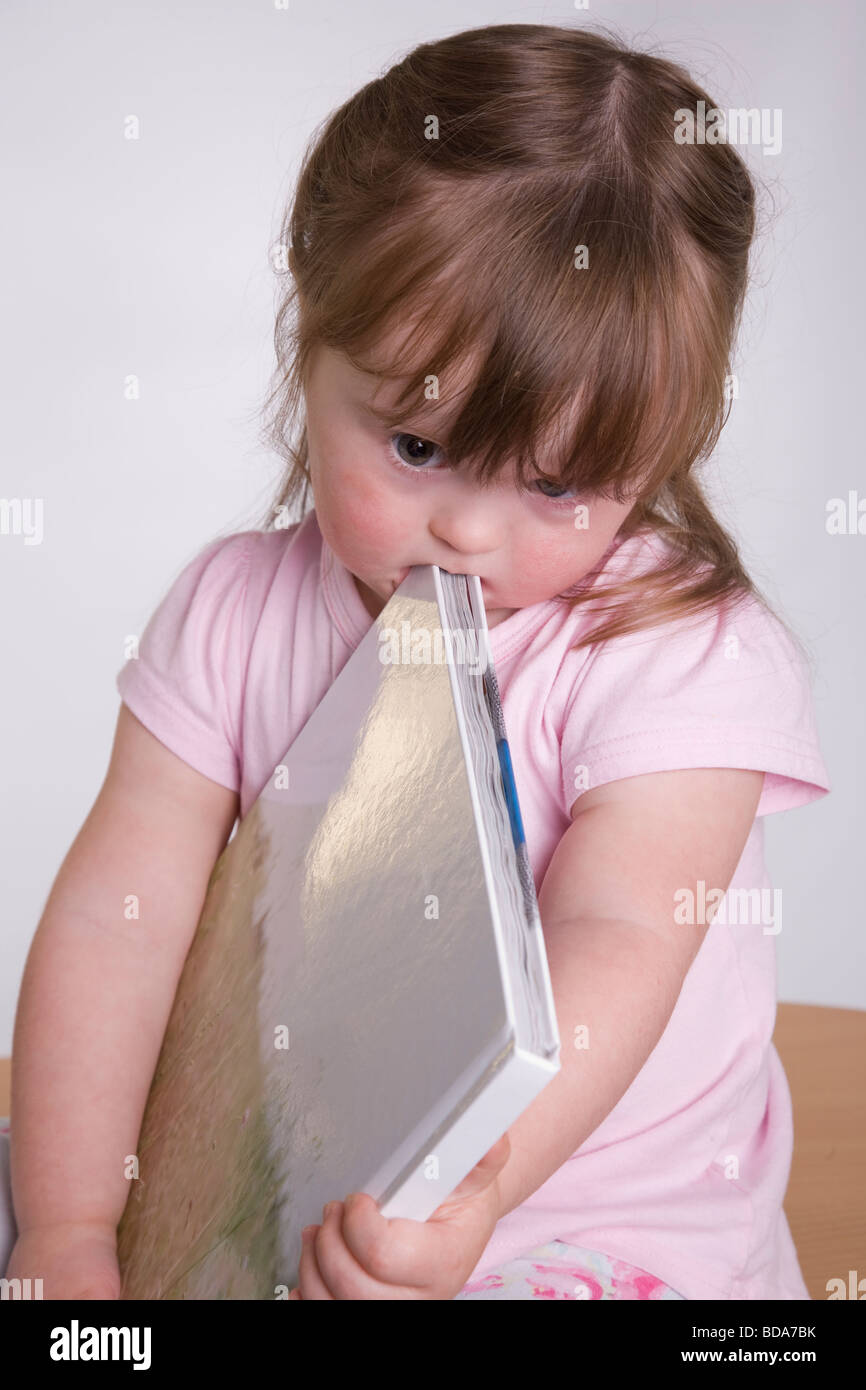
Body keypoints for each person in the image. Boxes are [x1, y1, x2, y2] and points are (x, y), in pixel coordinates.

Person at [2, 22, 829, 1301]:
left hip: (579, 1220)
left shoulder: (676, 652)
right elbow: (121, 920)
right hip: (262, 1175)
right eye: (418, 449)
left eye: (558, 485)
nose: (470, 533)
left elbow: (614, 928)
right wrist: (65, 1233)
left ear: (660, 446)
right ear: (310, 346)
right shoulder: (234, 612)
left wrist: (476, 1187)